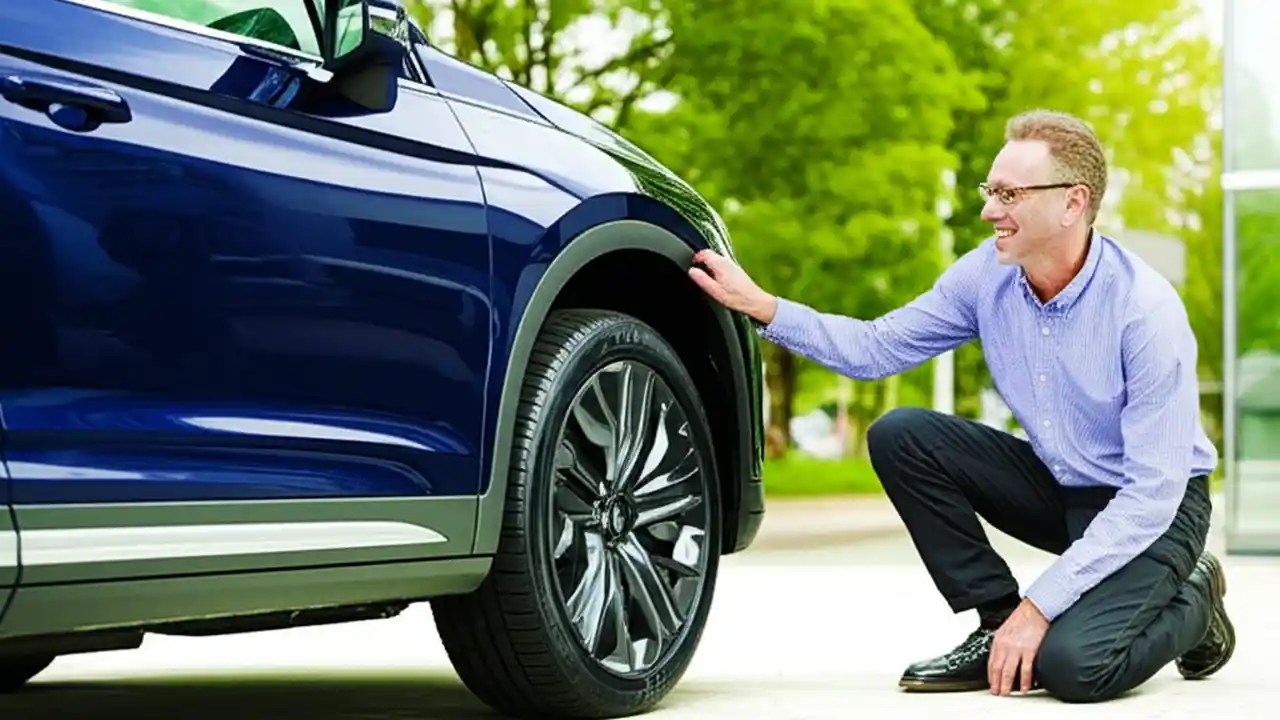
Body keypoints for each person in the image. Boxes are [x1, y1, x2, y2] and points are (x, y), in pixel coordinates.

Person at [688, 109, 1235, 703]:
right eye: (989, 191)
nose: (989, 211)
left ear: (1073, 204)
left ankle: (1195, 593)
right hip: (1064, 487)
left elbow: (1152, 493)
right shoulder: (986, 276)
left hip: (1157, 509)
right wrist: (765, 306)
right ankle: (994, 620)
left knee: (1073, 668)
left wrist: (1042, 605)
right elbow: (876, 348)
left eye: (1009, 194)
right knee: (902, 434)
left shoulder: (1144, 311)